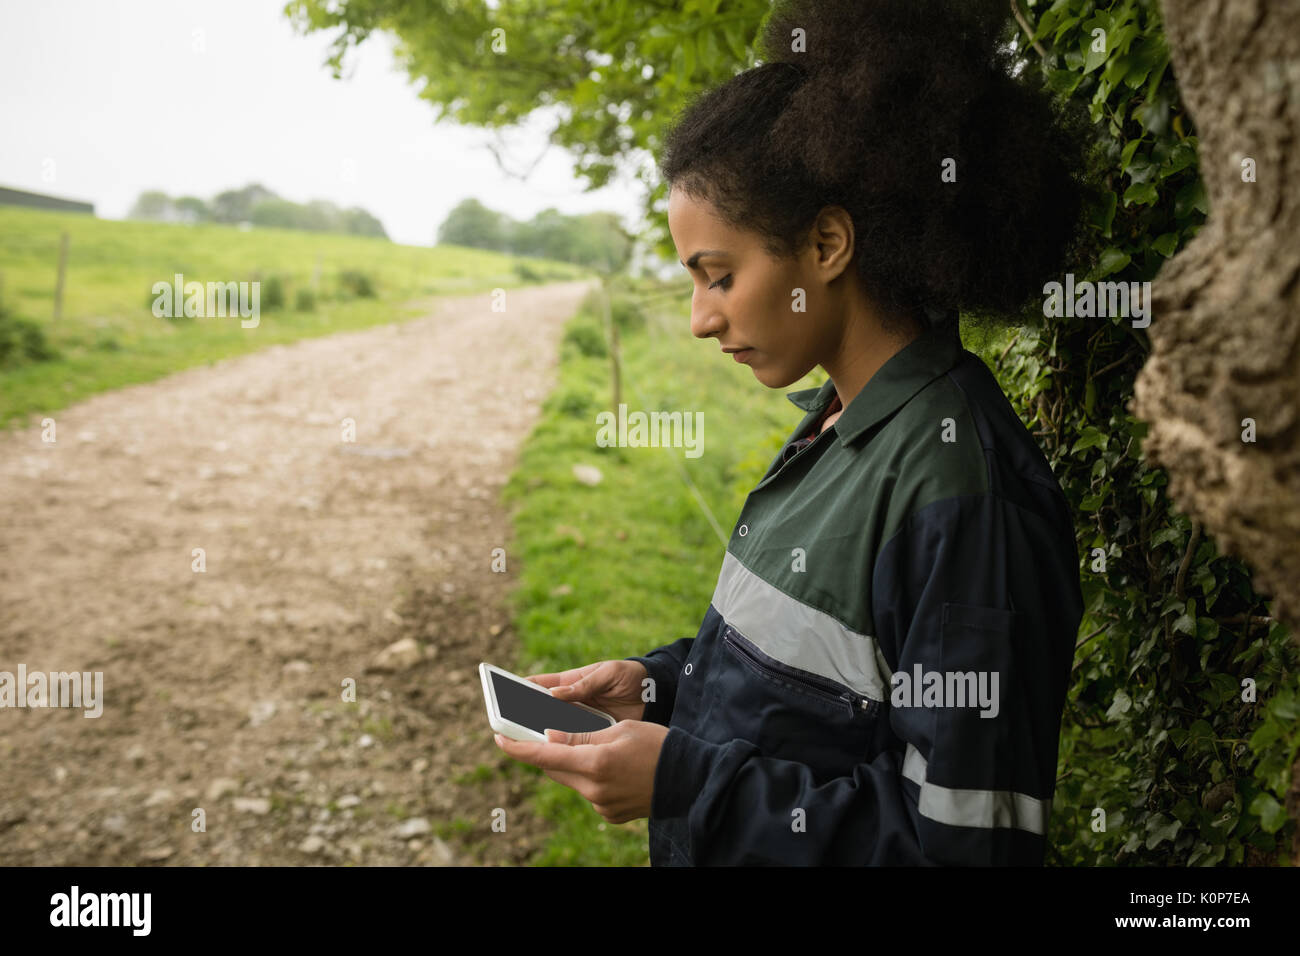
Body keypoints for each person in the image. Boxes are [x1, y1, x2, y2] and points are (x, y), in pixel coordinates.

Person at [495, 0, 1092, 865]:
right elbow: (812, 685)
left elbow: (963, 849)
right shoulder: (838, 427)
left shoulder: (965, 496)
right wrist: (662, 687)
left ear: (826, 244)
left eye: (719, 276)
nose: (701, 319)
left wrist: (690, 786)